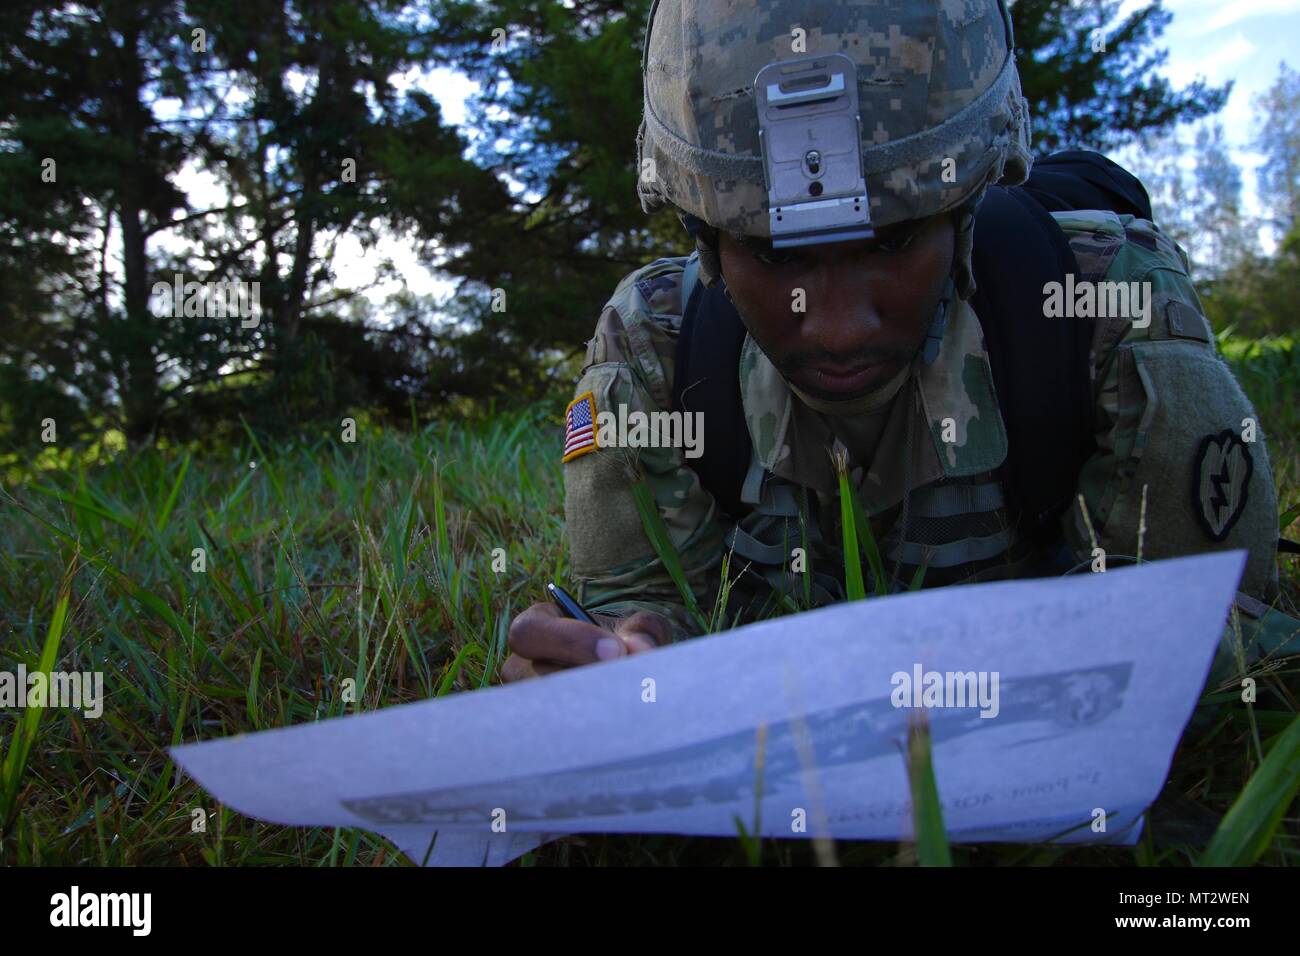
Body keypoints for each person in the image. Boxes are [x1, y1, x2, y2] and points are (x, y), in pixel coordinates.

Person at [502, 0, 1293, 682]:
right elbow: (642, 606)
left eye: (891, 242)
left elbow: (1219, 630)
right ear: (704, 242)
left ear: (967, 213)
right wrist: (625, 654)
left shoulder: (1102, 306)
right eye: (776, 254)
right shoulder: (657, 351)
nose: (839, 324)